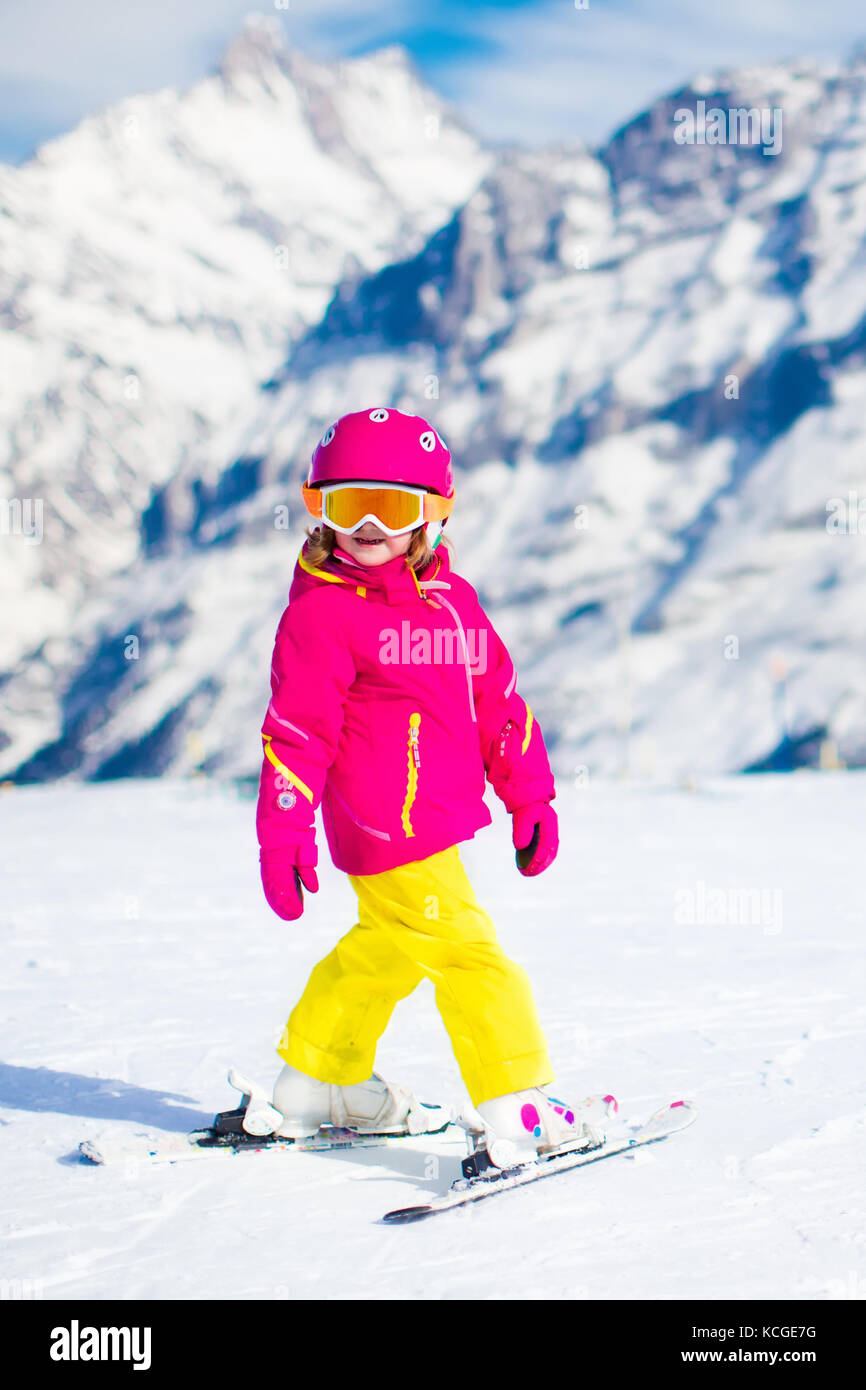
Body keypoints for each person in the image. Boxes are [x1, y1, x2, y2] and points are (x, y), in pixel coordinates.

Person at [254, 407, 586, 1163]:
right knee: (470, 955)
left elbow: (496, 700)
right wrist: (283, 831)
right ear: (318, 509)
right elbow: (297, 734)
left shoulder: (451, 602)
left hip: (433, 819)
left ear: (432, 516)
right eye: (346, 505)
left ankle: (317, 1078)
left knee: (387, 949)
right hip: (386, 829)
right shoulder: (323, 616)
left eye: (394, 507)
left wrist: (529, 792)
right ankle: (517, 1107)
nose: (368, 525)